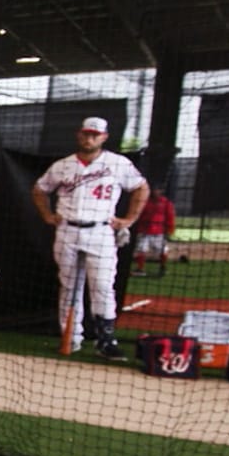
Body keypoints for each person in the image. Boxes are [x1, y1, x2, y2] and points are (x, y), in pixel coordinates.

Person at [32, 116, 149, 360]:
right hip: (67, 229)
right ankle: (71, 337)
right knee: (69, 286)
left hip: (100, 231)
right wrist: (46, 214)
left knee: (103, 286)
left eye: (95, 134)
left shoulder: (118, 163)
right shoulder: (63, 165)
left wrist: (129, 219)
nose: (90, 138)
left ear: (104, 137)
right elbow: (40, 189)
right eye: (86, 133)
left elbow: (141, 188)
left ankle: (105, 340)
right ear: (79, 135)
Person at [133, 185, 176, 277]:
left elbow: (170, 217)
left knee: (162, 251)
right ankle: (140, 269)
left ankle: (163, 267)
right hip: (144, 230)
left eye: (158, 189)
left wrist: (170, 229)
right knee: (141, 250)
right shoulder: (145, 201)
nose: (156, 192)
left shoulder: (166, 202)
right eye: (155, 189)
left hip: (159, 232)